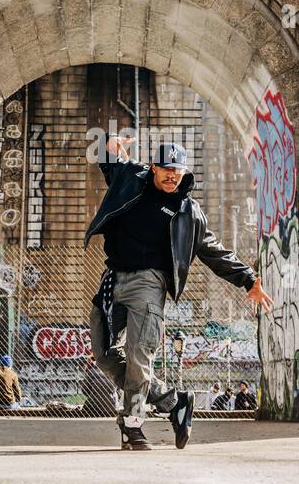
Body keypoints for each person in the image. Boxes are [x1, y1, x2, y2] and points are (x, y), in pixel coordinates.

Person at [86, 133, 273, 451]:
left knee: (138, 355)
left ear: (185, 172)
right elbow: (112, 169)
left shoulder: (189, 213)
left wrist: (248, 279)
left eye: (178, 170)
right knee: (104, 354)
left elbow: (213, 251)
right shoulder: (132, 178)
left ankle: (133, 427)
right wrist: (110, 148)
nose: (172, 175)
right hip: (112, 278)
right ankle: (176, 403)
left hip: (149, 283)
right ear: (153, 168)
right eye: (166, 169)